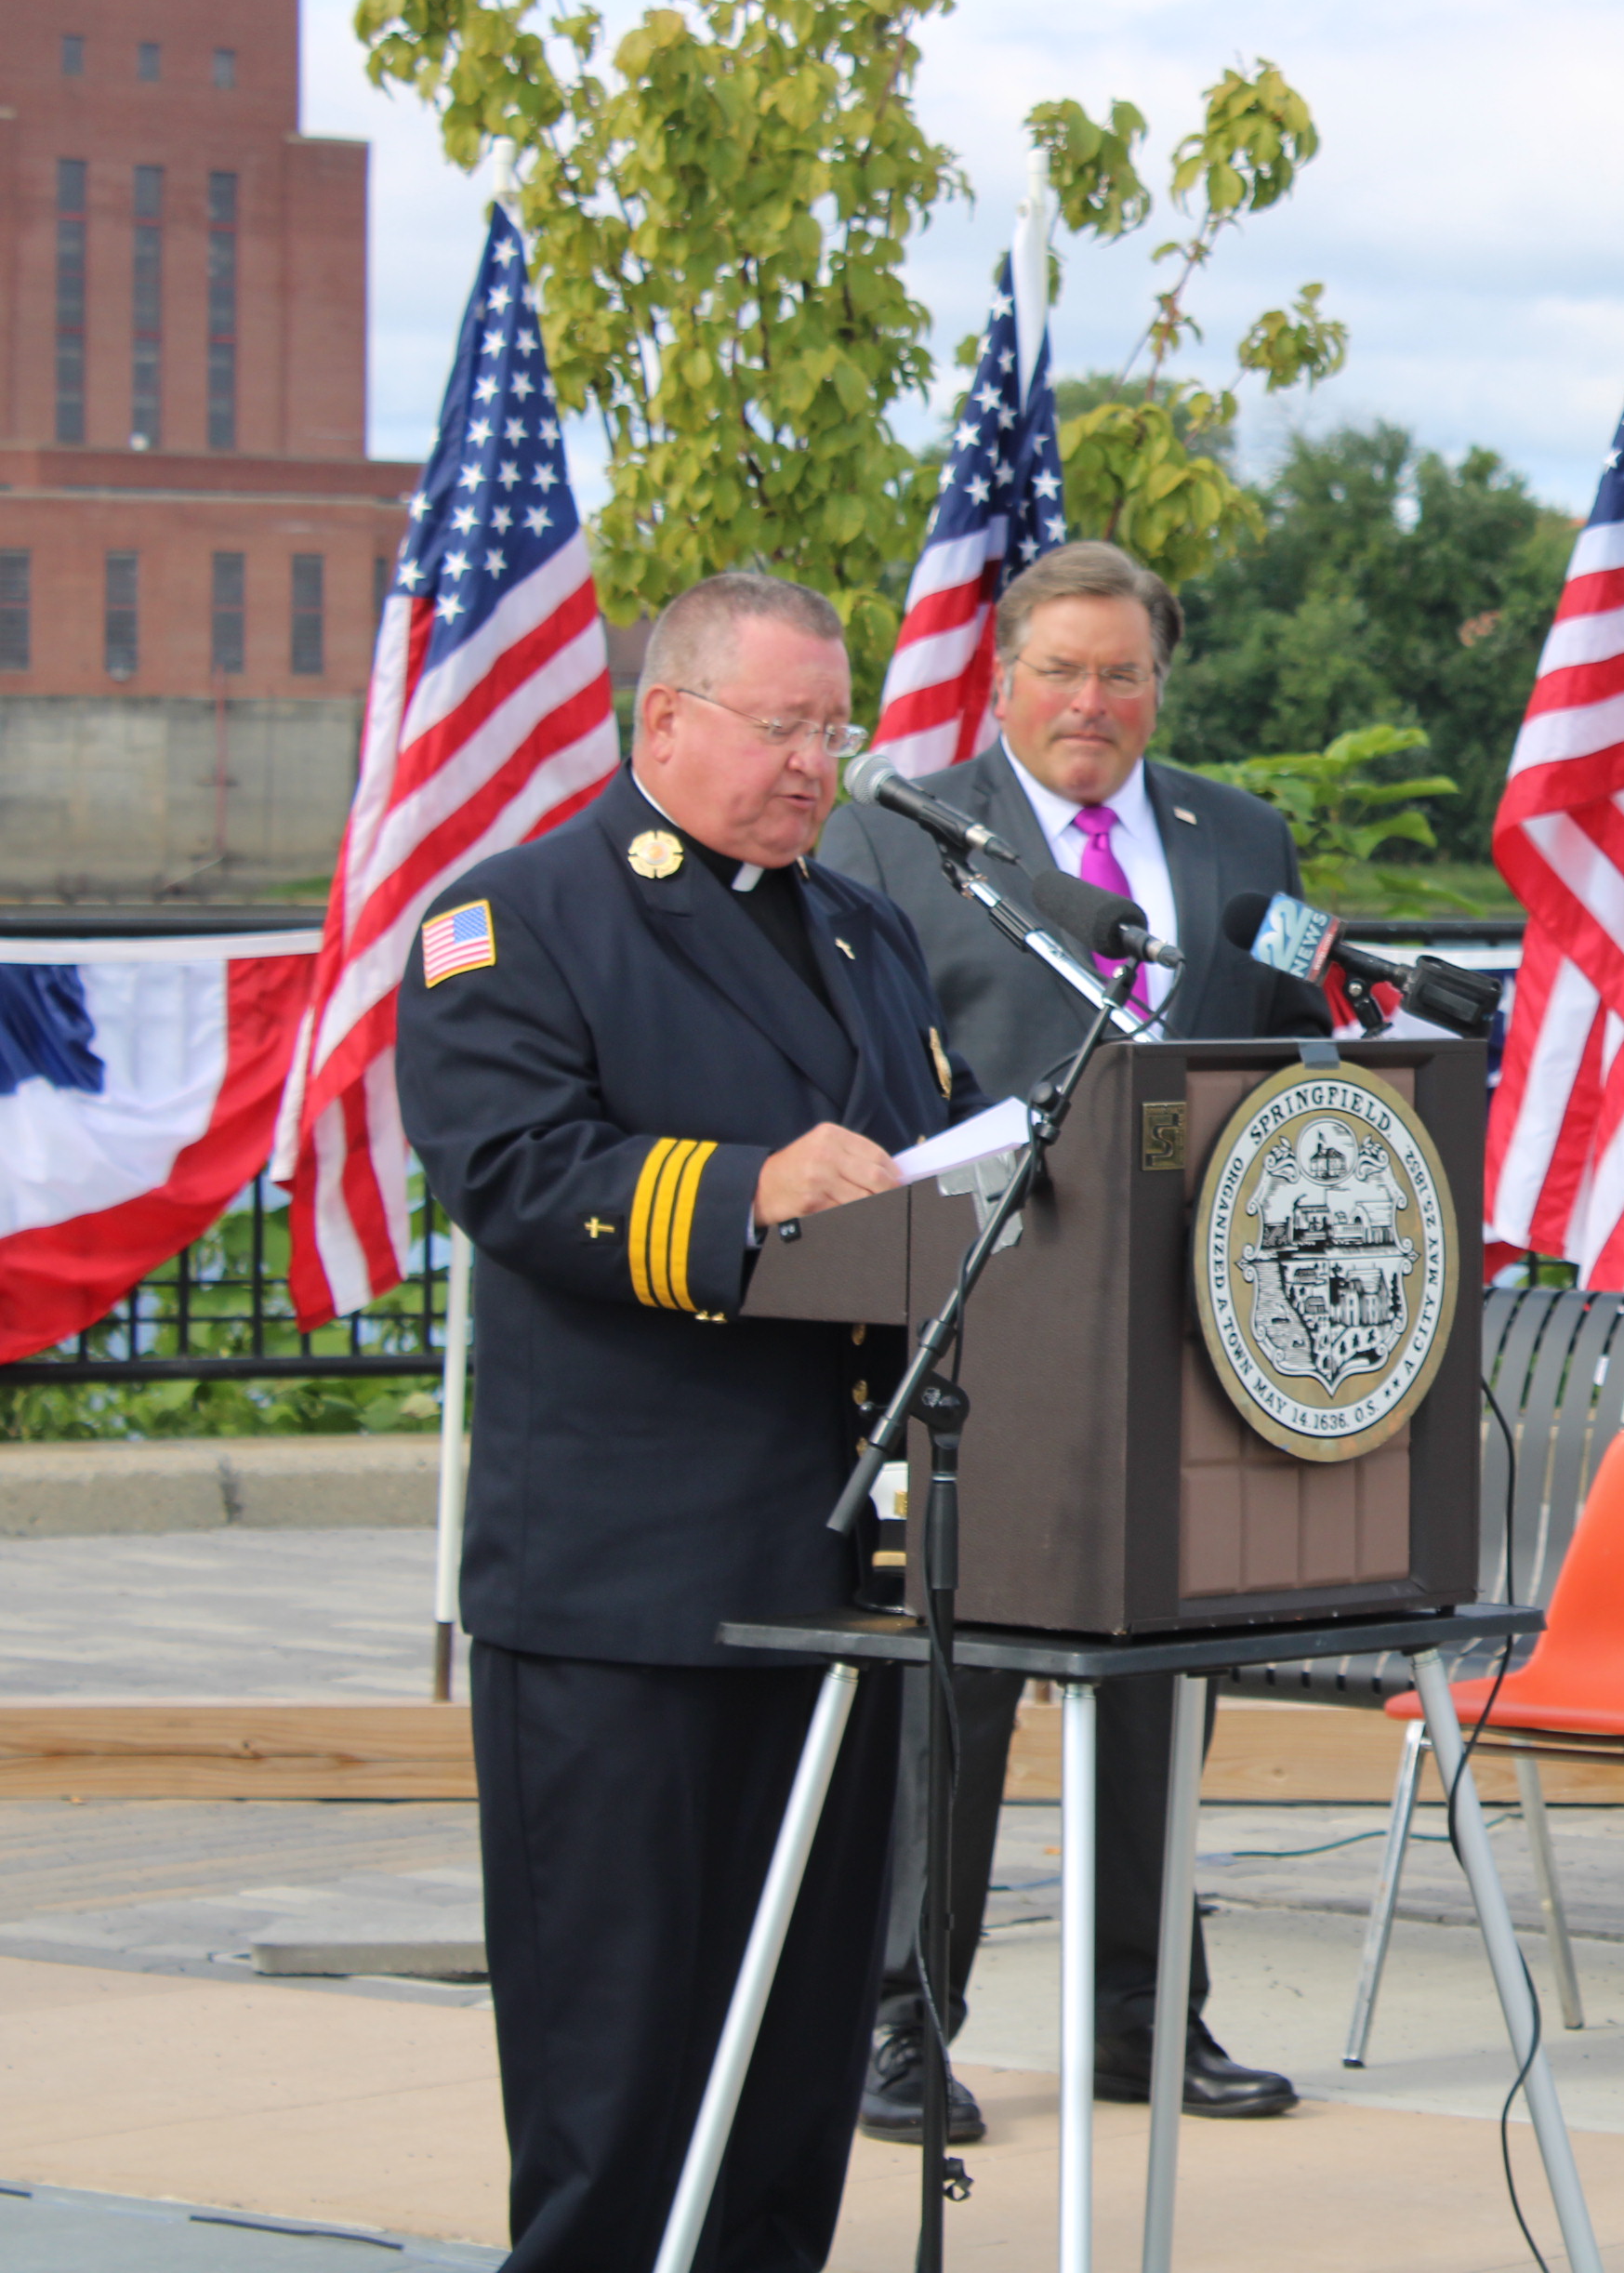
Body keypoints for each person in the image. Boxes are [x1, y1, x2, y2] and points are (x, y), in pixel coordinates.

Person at [399, 571, 964, 2273]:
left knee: (791, 2047)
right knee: (618, 2051)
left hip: (828, 1563)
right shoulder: (521, 920)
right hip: (623, 1585)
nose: (814, 764)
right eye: (780, 727)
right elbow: (514, 1171)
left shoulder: (868, 930)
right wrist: (747, 1196)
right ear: (667, 718)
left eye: (832, 728)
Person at [817, 537, 1325, 2140]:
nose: (1092, 702)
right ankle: (902, 2025)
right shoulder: (900, 842)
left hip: (1188, 1334)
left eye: (1122, 674)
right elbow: (851, 1073)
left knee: (1166, 1684)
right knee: (950, 1692)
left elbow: (1296, 1053)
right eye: (1062, 671)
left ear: (1159, 685)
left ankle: (1141, 2018)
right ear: (1004, 679)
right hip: (984, 1327)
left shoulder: (1241, 836)